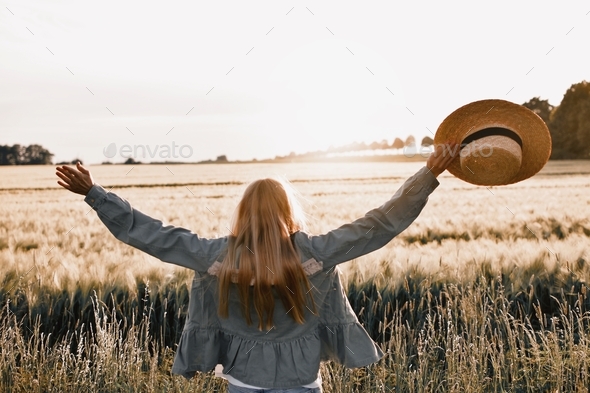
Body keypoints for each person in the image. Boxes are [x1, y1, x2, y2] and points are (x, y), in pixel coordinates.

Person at [56, 143, 457, 393]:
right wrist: (429, 173)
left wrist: (94, 194)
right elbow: (380, 224)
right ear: (287, 212)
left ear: (243, 212)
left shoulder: (215, 255)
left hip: (244, 382)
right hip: (303, 382)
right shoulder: (318, 252)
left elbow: (153, 235)